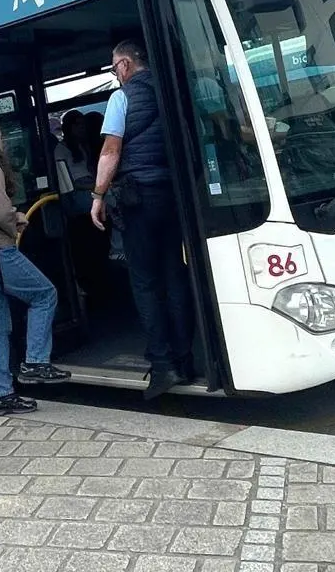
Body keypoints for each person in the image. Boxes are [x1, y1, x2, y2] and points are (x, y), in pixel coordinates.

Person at [90, 39, 195, 400]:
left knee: (146, 282)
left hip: (139, 199)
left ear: (124, 66)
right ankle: (185, 358)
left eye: (113, 68)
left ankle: (163, 365)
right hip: (174, 195)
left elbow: (111, 150)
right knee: (175, 275)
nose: (115, 75)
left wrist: (98, 195)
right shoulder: (172, 89)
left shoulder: (121, 99)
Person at [0, 119, 70, 416]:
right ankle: (35, 362)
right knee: (44, 294)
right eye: (0, 136)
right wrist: (17, 218)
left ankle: (1, 395)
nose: (3, 141)